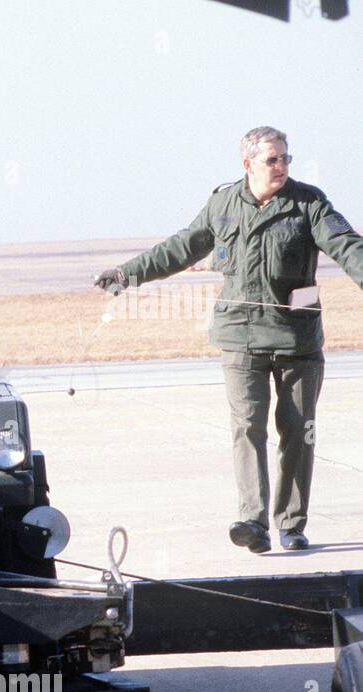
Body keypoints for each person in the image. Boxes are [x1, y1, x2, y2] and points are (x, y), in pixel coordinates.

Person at [95, 126, 363, 553]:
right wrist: (129, 273)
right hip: (240, 338)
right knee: (247, 428)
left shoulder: (309, 203)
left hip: (298, 344)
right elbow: (183, 247)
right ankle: (252, 523)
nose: (282, 167)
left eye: (286, 159)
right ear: (247, 164)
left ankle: (291, 525)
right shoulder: (222, 203)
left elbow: (348, 247)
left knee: (297, 430)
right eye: (272, 160)